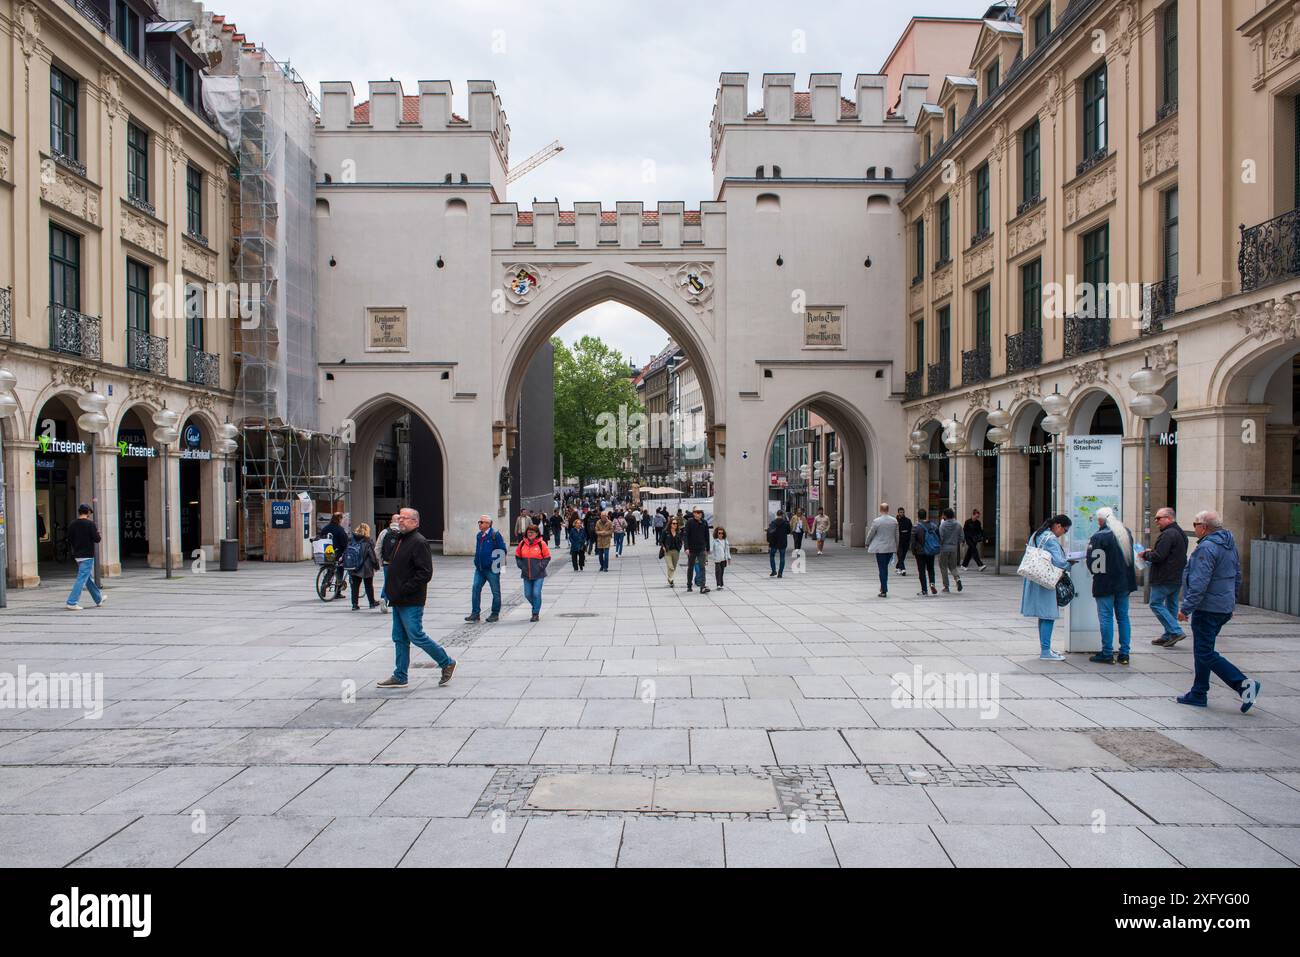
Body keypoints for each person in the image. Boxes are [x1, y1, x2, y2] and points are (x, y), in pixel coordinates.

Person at [1176, 510, 1261, 712]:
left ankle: (1243, 684)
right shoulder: (1228, 545)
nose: (1194, 527)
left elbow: (1199, 582)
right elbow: (1237, 576)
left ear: (1204, 527)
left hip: (1208, 608)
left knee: (1204, 652)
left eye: (1195, 523)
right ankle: (1198, 692)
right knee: (1203, 650)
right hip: (1221, 606)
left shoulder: (1206, 548)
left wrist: (1186, 608)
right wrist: (1231, 602)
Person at [377, 507, 455, 688]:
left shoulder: (419, 542)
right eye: (400, 518)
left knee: (416, 636)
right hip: (398, 599)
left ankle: (446, 662)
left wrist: (404, 589)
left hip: (410, 600)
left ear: (415, 522)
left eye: (404, 518)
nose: (400, 521)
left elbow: (425, 573)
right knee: (399, 638)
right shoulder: (400, 539)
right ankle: (400, 675)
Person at [1086, 506, 1138, 665]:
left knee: (1106, 617)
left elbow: (1094, 564)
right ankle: (1124, 653)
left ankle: (1107, 652)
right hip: (1124, 583)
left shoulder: (1099, 536)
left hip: (1106, 583)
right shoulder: (1125, 533)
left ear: (1101, 520)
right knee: (1123, 617)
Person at [1019, 515, 1073, 660]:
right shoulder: (1051, 539)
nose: (1064, 533)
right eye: (1065, 530)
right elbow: (1060, 562)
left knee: (1044, 615)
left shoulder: (1037, 534)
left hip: (1035, 578)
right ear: (1058, 525)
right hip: (1046, 581)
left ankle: (1046, 648)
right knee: (1049, 615)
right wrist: (1070, 563)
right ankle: (1045, 652)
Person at [1147, 507, 1189, 648]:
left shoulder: (1168, 534)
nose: (1156, 521)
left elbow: (1159, 556)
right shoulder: (1180, 533)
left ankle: (1175, 631)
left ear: (1169, 518)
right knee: (1171, 605)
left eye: (1159, 518)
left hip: (1164, 577)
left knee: (1155, 603)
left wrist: (1146, 554)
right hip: (1176, 576)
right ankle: (1168, 635)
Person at [466, 514, 505, 623]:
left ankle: (495, 613)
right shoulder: (479, 535)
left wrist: (499, 569)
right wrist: (476, 561)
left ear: (488, 524)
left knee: (495, 591)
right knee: (475, 588)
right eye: (479, 522)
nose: (479, 524)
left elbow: (502, 550)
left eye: (481, 522)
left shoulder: (495, 535)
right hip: (480, 568)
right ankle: (475, 613)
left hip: (492, 569)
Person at [65, 504, 104, 610]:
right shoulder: (90, 524)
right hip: (87, 555)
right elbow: (97, 539)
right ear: (87, 512)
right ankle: (72, 602)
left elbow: (69, 539)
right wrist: (97, 533)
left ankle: (98, 598)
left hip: (77, 555)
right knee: (82, 578)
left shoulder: (72, 524)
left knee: (88, 579)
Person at [515, 524, 551, 622]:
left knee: (536, 593)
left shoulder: (541, 544)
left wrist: (541, 566)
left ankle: (535, 613)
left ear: (537, 533)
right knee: (527, 594)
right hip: (526, 574)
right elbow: (517, 555)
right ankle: (536, 605)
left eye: (532, 532)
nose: (530, 534)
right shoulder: (522, 543)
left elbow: (547, 557)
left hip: (539, 574)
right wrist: (521, 565)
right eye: (529, 532)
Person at [865, 502, 900, 598]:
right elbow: (897, 535)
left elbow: (871, 533)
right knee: (885, 568)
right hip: (890, 548)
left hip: (880, 549)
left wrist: (867, 542)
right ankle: (883, 586)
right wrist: (896, 546)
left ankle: (884, 589)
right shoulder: (894, 521)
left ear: (880, 510)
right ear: (888, 510)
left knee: (882, 569)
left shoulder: (877, 521)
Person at [345, 523, 381, 610]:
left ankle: (354, 604)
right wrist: (376, 566)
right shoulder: (368, 541)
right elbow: (372, 555)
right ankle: (372, 603)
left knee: (355, 587)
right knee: (368, 585)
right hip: (366, 567)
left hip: (353, 566)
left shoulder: (351, 539)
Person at [319, 511, 349, 598]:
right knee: (340, 570)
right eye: (342, 518)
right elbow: (344, 543)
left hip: (326, 553)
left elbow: (321, 538)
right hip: (337, 553)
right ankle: (337, 592)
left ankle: (324, 583)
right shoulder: (340, 529)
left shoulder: (326, 528)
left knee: (330, 570)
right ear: (339, 519)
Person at [375, 513, 401, 613]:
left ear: (391, 521)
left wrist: (381, 561)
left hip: (387, 562)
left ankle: (384, 598)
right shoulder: (402, 532)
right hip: (399, 563)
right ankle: (392, 600)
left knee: (387, 581)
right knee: (398, 582)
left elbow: (377, 548)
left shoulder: (384, 532)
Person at [911, 509, 939, 596]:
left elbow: (913, 541)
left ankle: (924, 590)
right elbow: (937, 537)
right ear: (926, 515)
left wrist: (913, 551)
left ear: (918, 516)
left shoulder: (916, 527)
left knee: (921, 571)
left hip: (920, 552)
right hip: (930, 550)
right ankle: (932, 584)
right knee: (931, 568)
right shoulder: (933, 526)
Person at [684, 506, 711, 594]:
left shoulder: (704, 522)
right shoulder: (689, 522)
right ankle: (689, 585)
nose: (699, 514)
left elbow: (707, 536)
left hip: (701, 548)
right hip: (692, 549)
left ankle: (702, 586)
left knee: (702, 567)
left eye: (700, 512)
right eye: (697, 512)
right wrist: (686, 548)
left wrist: (708, 548)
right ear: (693, 513)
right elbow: (686, 536)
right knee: (690, 567)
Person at [938, 508, 964, 593]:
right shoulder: (958, 524)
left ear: (945, 515)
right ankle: (957, 579)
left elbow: (941, 537)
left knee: (943, 567)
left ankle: (946, 586)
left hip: (944, 548)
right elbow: (962, 537)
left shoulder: (943, 525)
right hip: (954, 548)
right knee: (953, 566)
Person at [767, 510, 791, 578]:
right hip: (782, 542)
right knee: (782, 557)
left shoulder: (773, 522)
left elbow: (770, 532)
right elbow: (789, 532)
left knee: (772, 556)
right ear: (783, 515)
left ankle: (774, 571)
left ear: (777, 514)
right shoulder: (786, 523)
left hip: (774, 542)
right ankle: (780, 573)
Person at [661, 517, 684, 587]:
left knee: (673, 566)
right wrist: (663, 547)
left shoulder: (679, 532)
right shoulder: (665, 531)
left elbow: (681, 541)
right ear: (670, 524)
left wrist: (679, 547)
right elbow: (661, 540)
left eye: (676, 524)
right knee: (671, 567)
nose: (675, 525)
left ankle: (669, 578)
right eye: (674, 523)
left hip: (676, 551)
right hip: (668, 551)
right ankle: (671, 579)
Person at [895, 507, 913, 575]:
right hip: (898, 541)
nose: (901, 513)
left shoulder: (908, 520)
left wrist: (910, 539)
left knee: (903, 555)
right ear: (898, 513)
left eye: (902, 512)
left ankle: (897, 567)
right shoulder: (896, 521)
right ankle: (903, 569)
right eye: (900, 512)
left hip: (906, 540)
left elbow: (910, 529)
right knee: (900, 555)